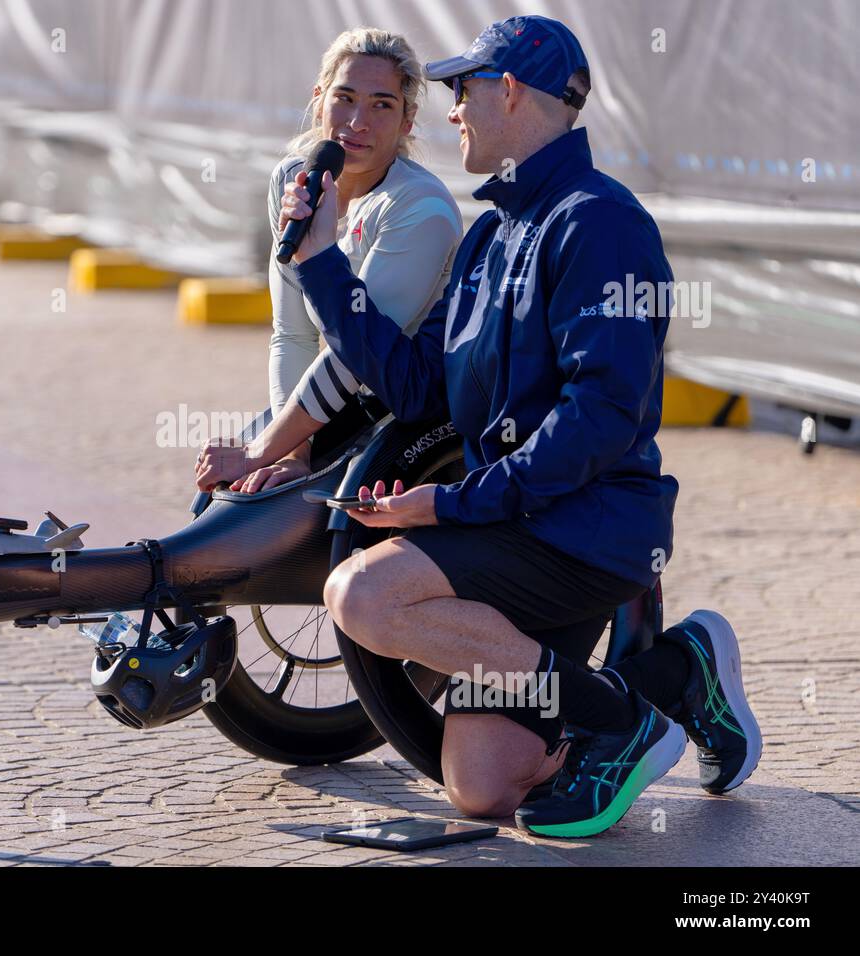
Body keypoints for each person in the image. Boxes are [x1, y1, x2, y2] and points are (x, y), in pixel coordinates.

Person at [224, 15, 762, 837]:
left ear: (508, 91)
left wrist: (451, 507)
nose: (451, 113)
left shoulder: (599, 224)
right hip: (514, 531)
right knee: (482, 788)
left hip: (585, 539)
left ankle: (616, 719)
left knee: (362, 594)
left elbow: (603, 419)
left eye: (459, 90)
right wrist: (321, 260)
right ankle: (674, 673)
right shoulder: (488, 239)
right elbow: (411, 385)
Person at [195, 27, 461, 494]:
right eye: (345, 97)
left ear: (408, 121)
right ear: (319, 99)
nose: (358, 122)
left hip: (406, 407)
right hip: (331, 397)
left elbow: (357, 354)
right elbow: (293, 332)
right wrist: (292, 452)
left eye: (382, 105)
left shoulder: (420, 206)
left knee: (282, 513)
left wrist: (266, 450)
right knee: (222, 501)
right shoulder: (295, 177)